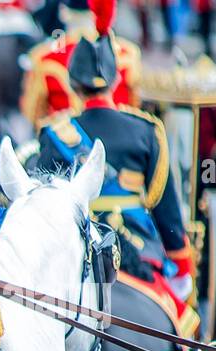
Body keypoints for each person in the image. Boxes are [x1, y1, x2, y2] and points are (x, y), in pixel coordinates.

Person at [36, 3, 196, 308]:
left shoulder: (57, 135)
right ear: (115, 80)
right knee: (182, 327)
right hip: (138, 247)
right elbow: (166, 211)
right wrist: (180, 262)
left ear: (73, 84)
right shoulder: (147, 130)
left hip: (78, 250)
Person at [22, 0, 141, 128]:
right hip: (119, 133)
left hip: (66, 142)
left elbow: (33, 113)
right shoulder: (127, 52)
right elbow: (134, 105)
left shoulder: (44, 56)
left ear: (64, 13)